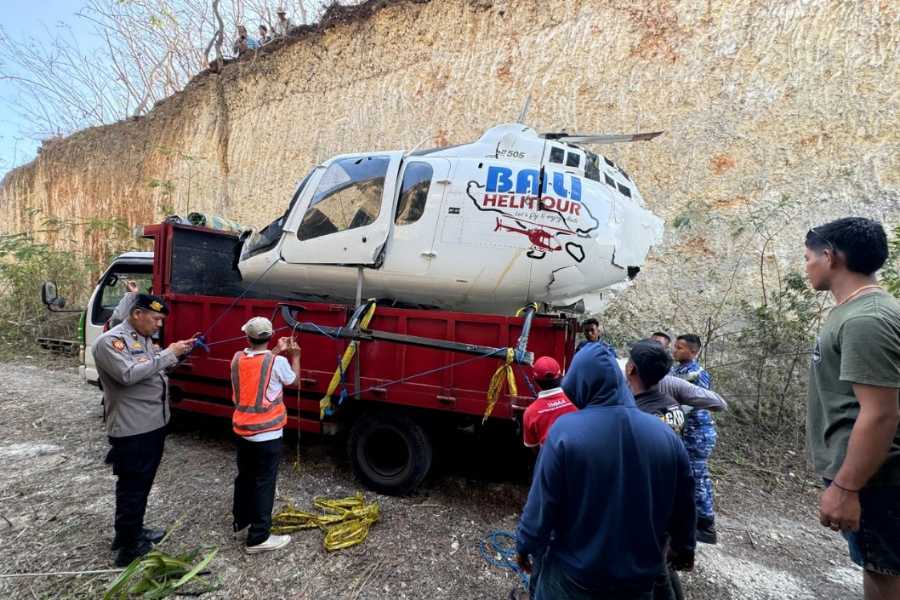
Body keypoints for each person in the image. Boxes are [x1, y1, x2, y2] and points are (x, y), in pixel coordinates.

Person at [516, 342, 696, 599]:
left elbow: (543, 500)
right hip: (638, 581)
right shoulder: (666, 436)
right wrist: (684, 547)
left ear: (579, 382)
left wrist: (526, 543)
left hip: (575, 577)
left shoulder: (565, 432)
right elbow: (685, 501)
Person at [804, 217, 900, 600]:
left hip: (877, 481)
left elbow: (881, 414)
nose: (807, 265)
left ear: (830, 256)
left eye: (808, 256)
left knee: (885, 576)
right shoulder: (857, 311)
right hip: (871, 478)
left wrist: (846, 486)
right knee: (880, 568)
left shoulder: (866, 320)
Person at [93, 294, 196, 566]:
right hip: (132, 428)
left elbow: (153, 370)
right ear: (138, 314)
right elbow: (128, 375)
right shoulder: (110, 342)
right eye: (156, 319)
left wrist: (179, 353)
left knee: (142, 485)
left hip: (153, 424)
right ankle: (128, 549)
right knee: (132, 487)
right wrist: (167, 354)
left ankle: (132, 532)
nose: (159, 325)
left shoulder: (142, 340)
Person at [231, 317, 300, 554]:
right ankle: (259, 538)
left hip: (243, 431)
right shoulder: (277, 362)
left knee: (245, 478)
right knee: (264, 483)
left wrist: (276, 351)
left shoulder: (238, 359)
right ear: (270, 336)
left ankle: (241, 524)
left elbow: (258, 365)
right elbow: (293, 380)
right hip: (268, 434)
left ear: (247, 337)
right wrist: (296, 355)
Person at [671, 333, 718, 544]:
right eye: (675, 346)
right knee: (694, 476)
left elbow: (693, 401)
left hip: (697, 434)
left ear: (693, 351)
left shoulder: (698, 374)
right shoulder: (677, 370)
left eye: (680, 347)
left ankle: (706, 526)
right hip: (685, 432)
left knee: (697, 478)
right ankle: (696, 519)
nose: (675, 350)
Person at [522, 356, 577, 448]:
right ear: (560, 376)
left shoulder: (530, 413)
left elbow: (533, 446)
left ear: (535, 380)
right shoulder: (576, 399)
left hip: (550, 460)